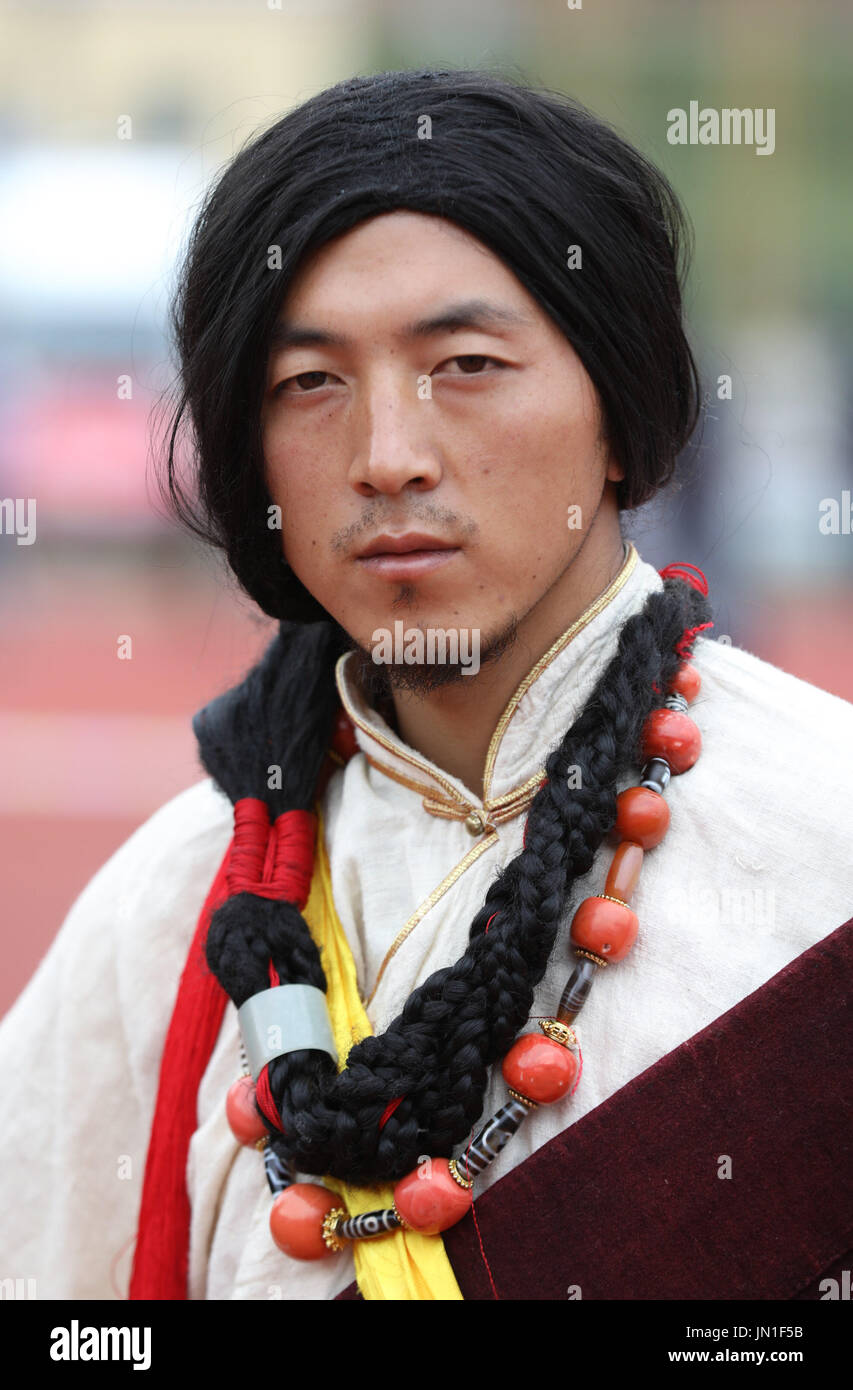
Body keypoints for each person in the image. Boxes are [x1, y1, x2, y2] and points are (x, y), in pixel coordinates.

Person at [1, 68, 850, 1303]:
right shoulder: (172, 911)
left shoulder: (826, 838)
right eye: (310, 383)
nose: (386, 457)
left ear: (619, 413)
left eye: (463, 363)